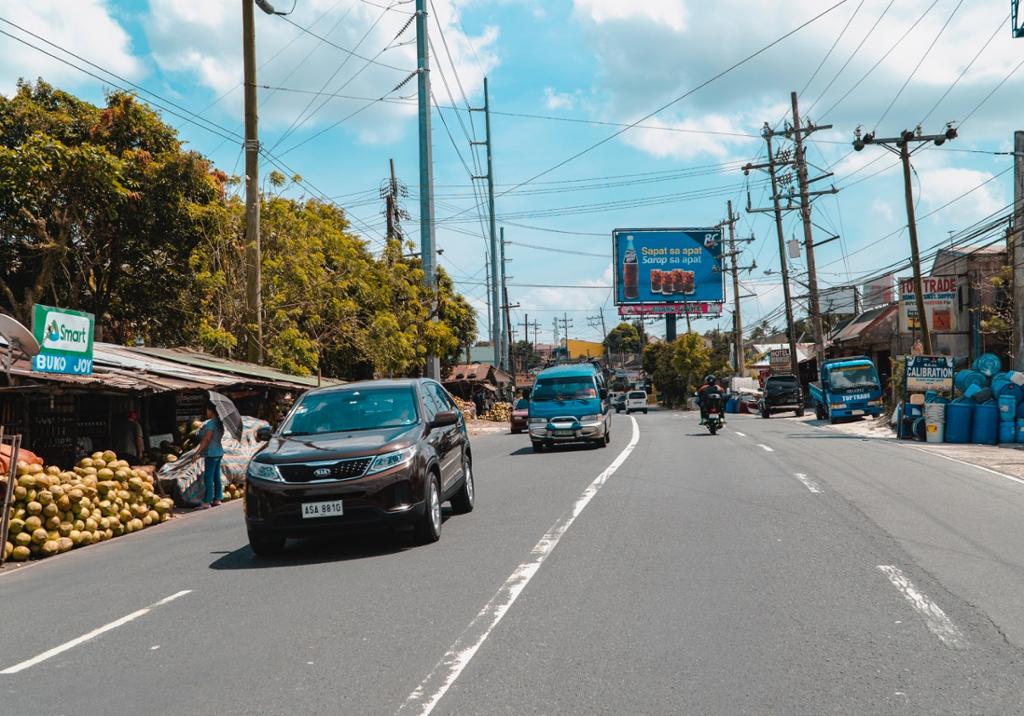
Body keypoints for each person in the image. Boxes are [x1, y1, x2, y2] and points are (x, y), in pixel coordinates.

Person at [191, 402, 224, 509]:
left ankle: (207, 501)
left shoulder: (210, 424)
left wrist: (197, 453)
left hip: (211, 453)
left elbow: (207, 439)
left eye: (207, 410)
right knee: (216, 477)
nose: (206, 412)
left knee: (208, 478)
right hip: (219, 452)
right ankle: (218, 498)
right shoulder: (220, 423)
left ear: (211, 411)